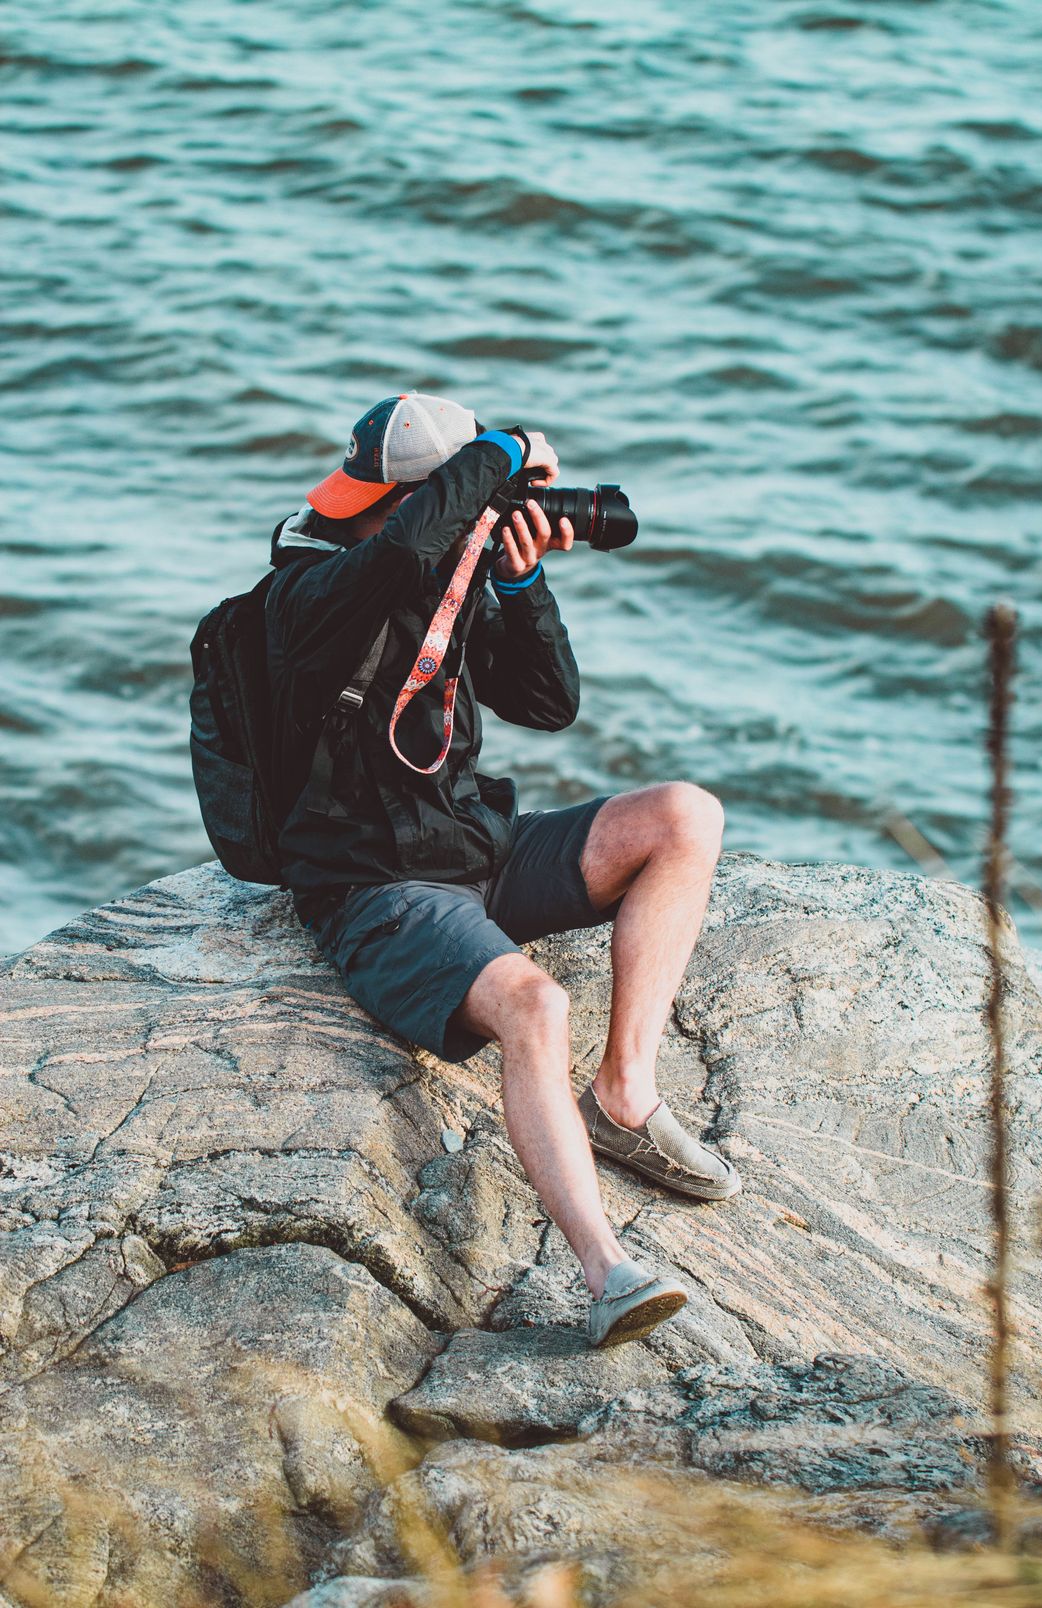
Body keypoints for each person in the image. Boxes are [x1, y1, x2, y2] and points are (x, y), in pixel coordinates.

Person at [265, 392, 740, 1348]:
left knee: (686, 816)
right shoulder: (311, 592)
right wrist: (509, 448)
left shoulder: (451, 570)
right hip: (377, 891)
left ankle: (624, 1098)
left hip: (479, 850)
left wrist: (520, 584)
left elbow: (551, 703)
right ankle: (608, 1275)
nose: (353, 508)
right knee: (538, 1007)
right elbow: (394, 555)